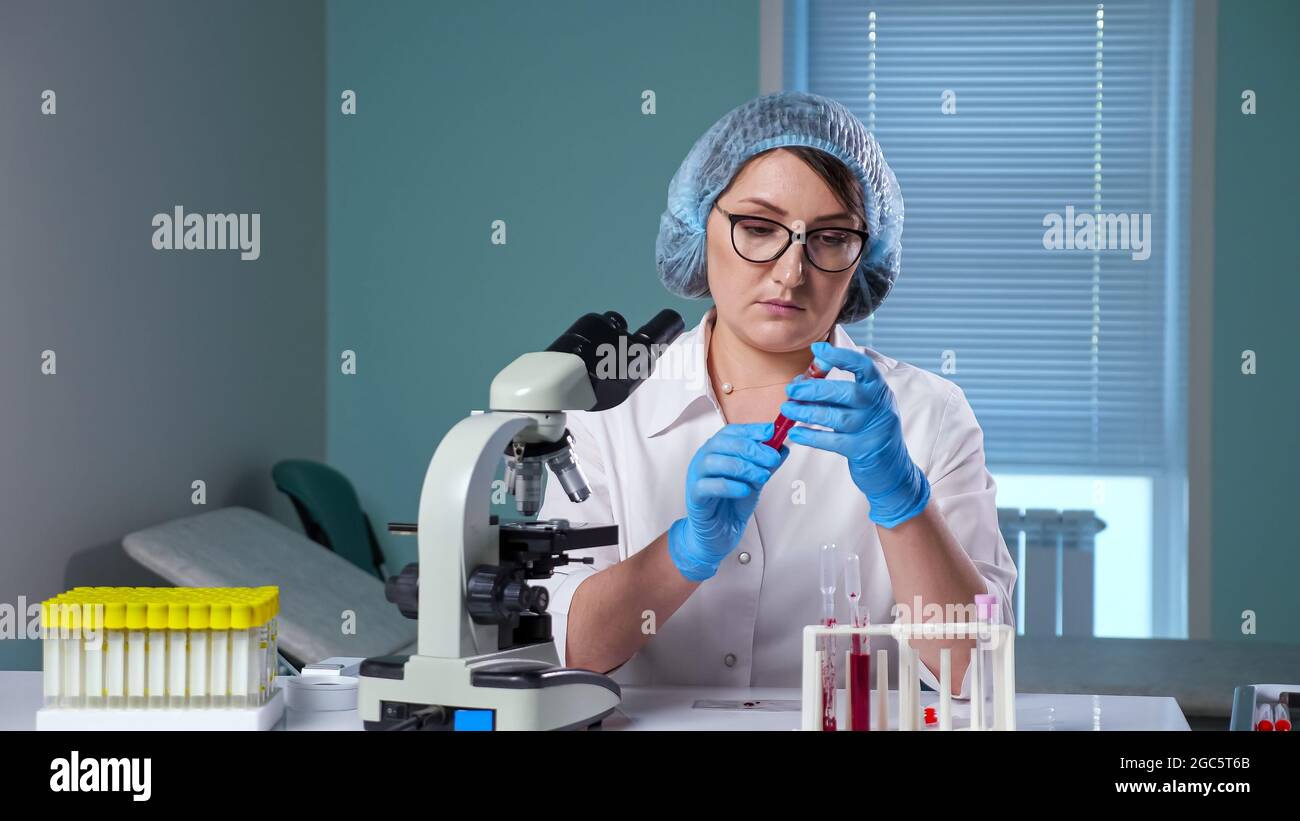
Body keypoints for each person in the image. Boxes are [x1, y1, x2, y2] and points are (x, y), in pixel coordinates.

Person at [535, 91, 1016, 697]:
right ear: (699, 224)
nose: (792, 272)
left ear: (864, 254)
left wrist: (903, 499)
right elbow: (579, 649)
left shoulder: (929, 415)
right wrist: (685, 551)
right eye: (758, 229)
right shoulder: (609, 408)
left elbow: (973, 673)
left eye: (831, 237)